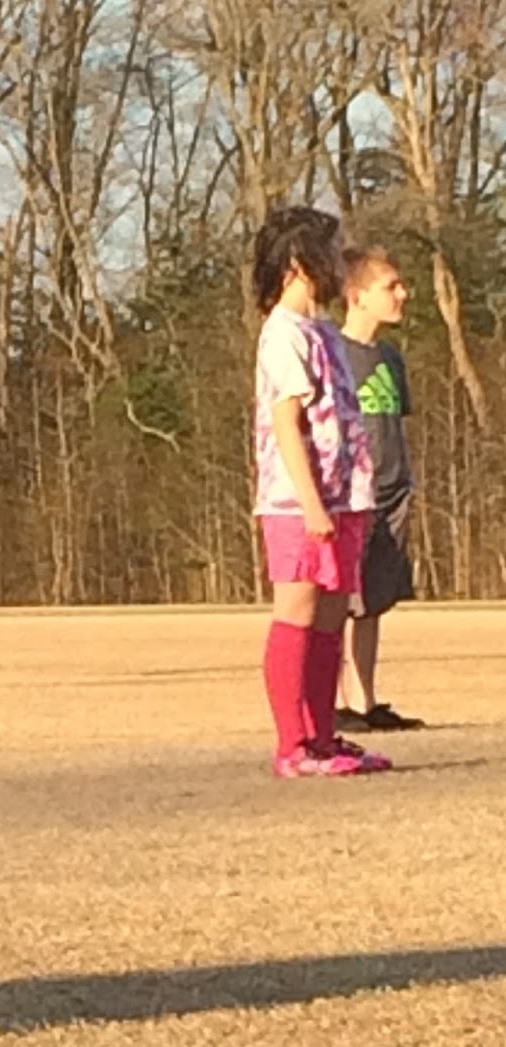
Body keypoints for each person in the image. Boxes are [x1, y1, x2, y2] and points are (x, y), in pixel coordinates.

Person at [252, 207, 391, 778]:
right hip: (298, 502)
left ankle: (325, 737)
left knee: (333, 612)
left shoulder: (326, 331)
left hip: (344, 497)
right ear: (297, 262)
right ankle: (294, 744)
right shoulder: (282, 335)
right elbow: (286, 422)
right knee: (299, 611)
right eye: (330, 255)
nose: (339, 264)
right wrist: (310, 502)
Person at [337, 247, 424, 733]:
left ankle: (364, 702)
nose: (401, 294)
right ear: (356, 296)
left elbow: (394, 422)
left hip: (392, 491)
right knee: (337, 604)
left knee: (372, 601)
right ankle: (333, 704)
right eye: (390, 286)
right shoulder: (335, 353)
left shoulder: (390, 357)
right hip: (352, 496)